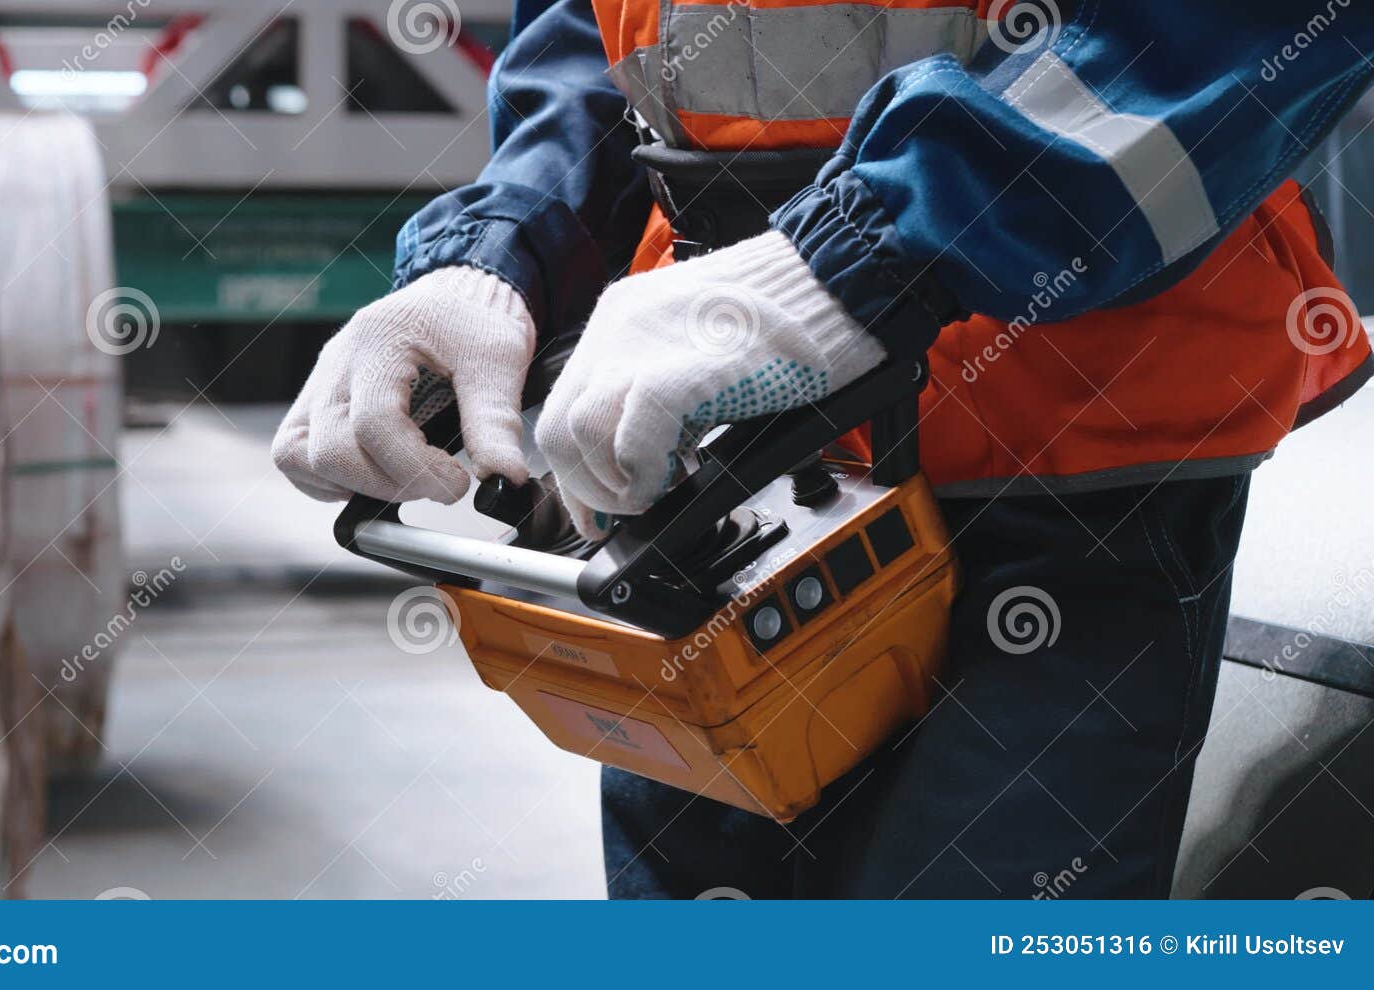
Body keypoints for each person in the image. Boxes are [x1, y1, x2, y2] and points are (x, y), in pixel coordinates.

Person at [274, 0, 1374, 898]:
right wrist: (497, 251)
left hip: (1075, 447)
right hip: (712, 454)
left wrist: (866, 249)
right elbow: (599, 36)